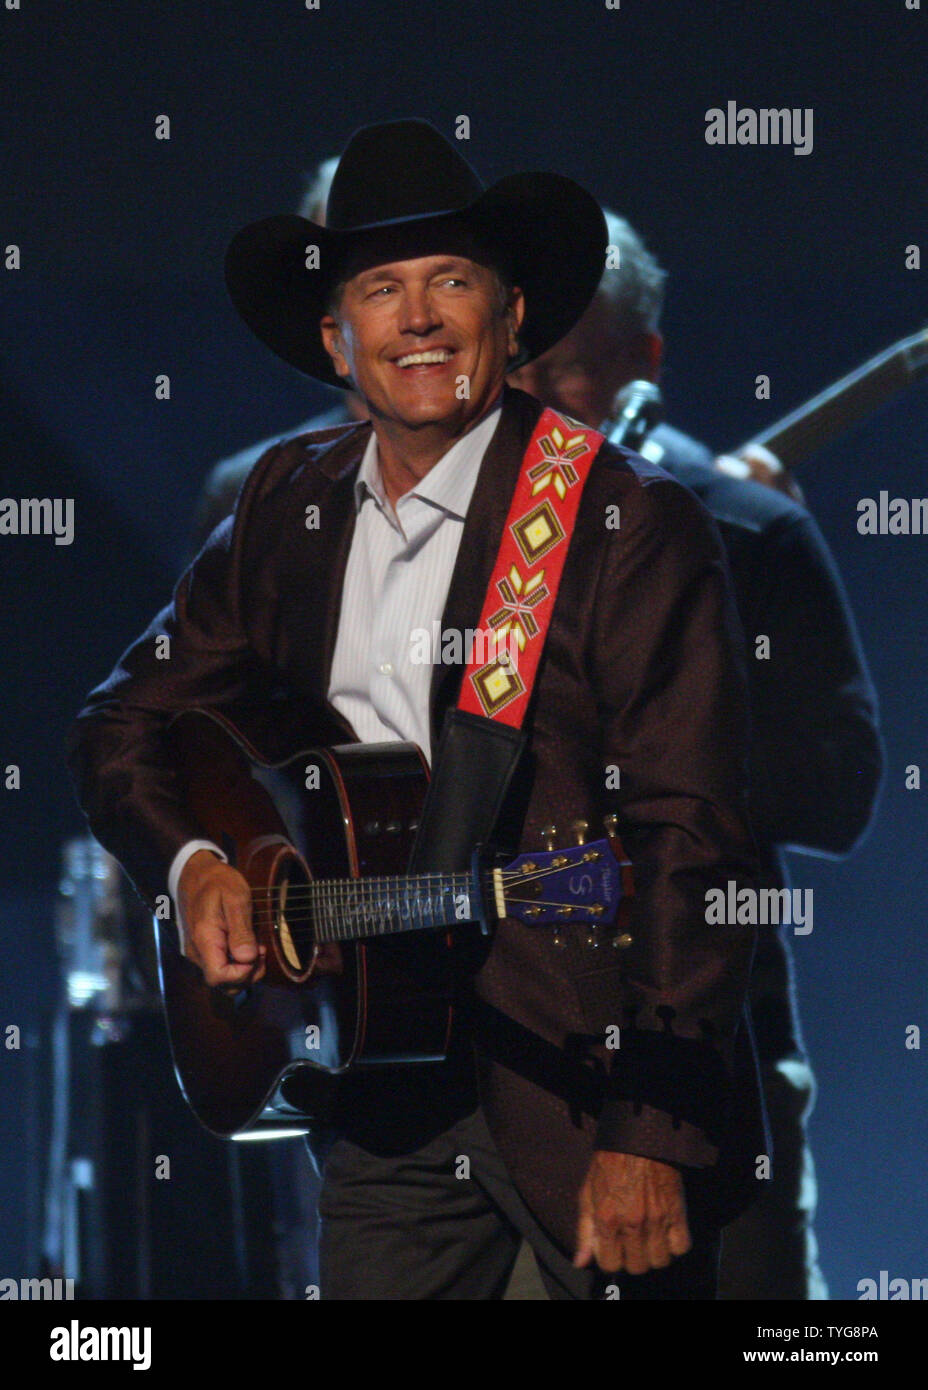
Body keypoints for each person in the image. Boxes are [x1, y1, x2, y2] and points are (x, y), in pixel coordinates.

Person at [67, 118, 765, 1300]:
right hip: (378, 1095)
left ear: (512, 316)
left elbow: (693, 831)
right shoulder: (291, 505)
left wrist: (648, 1128)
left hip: (577, 1096)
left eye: (452, 281)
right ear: (337, 342)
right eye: (381, 289)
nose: (421, 317)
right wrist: (190, 866)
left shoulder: (619, 521)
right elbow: (121, 721)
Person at [511, 212, 884, 1298]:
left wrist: (680, 705)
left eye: (570, 371)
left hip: (716, 1050)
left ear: (646, 362)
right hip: (506, 1056)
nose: (535, 400)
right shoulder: (458, 525)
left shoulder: (744, 526)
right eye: (518, 365)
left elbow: (842, 786)